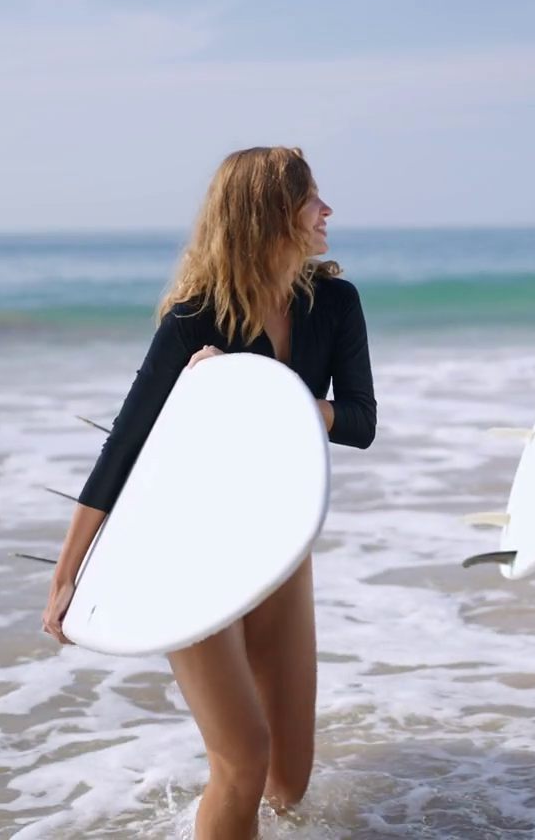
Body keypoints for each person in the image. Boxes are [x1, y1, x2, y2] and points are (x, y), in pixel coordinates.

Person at [40, 146, 375, 838]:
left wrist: (262, 393)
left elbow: (361, 422)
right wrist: (67, 574)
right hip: (182, 547)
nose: (327, 210)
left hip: (276, 538)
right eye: (311, 199)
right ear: (271, 215)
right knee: (243, 761)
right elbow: (123, 448)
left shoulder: (335, 304)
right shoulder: (194, 319)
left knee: (288, 780)